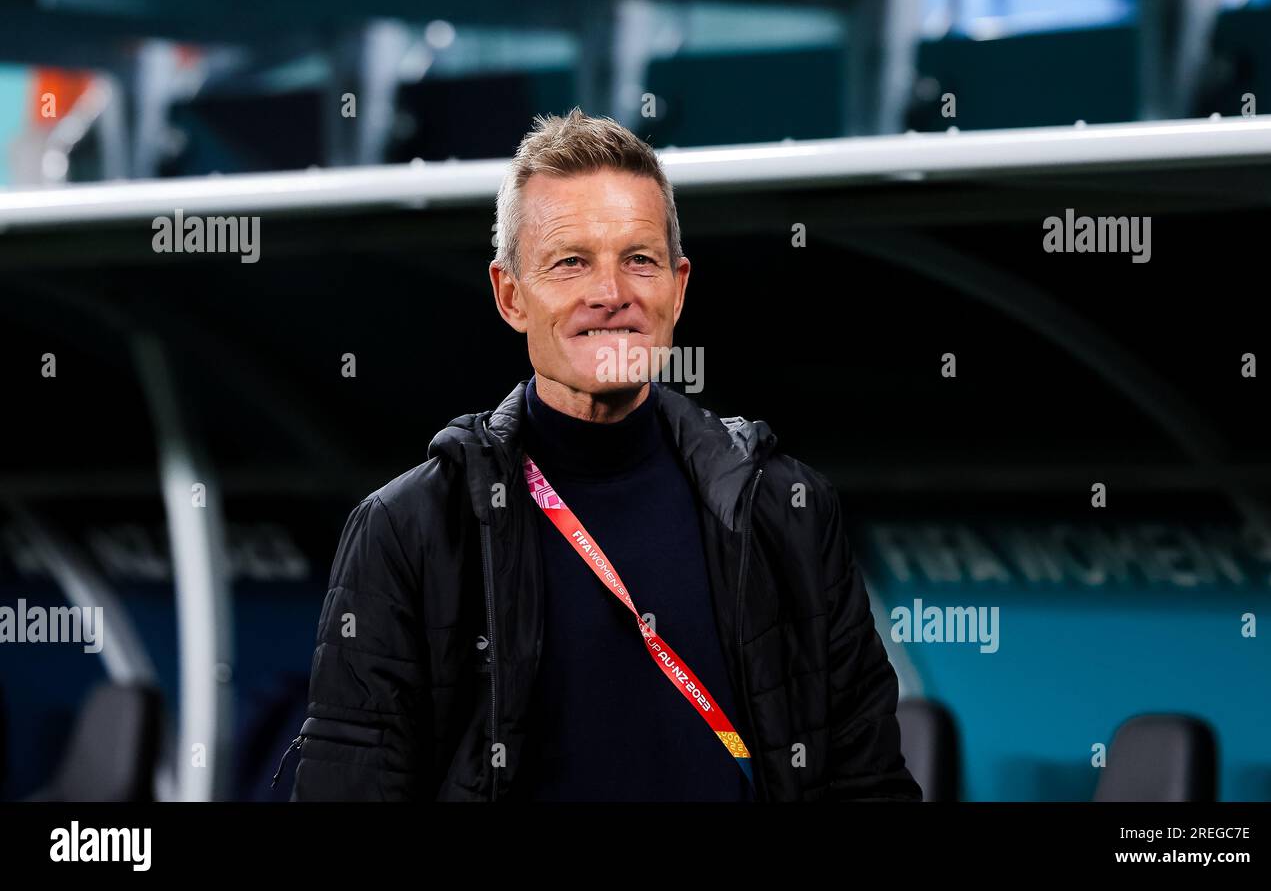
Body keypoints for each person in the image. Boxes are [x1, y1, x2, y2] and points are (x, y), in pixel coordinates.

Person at [285, 107, 920, 801]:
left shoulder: (786, 510)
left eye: (638, 261)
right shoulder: (412, 528)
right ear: (510, 295)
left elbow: (867, 784)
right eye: (570, 263)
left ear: (677, 289)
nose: (610, 295)